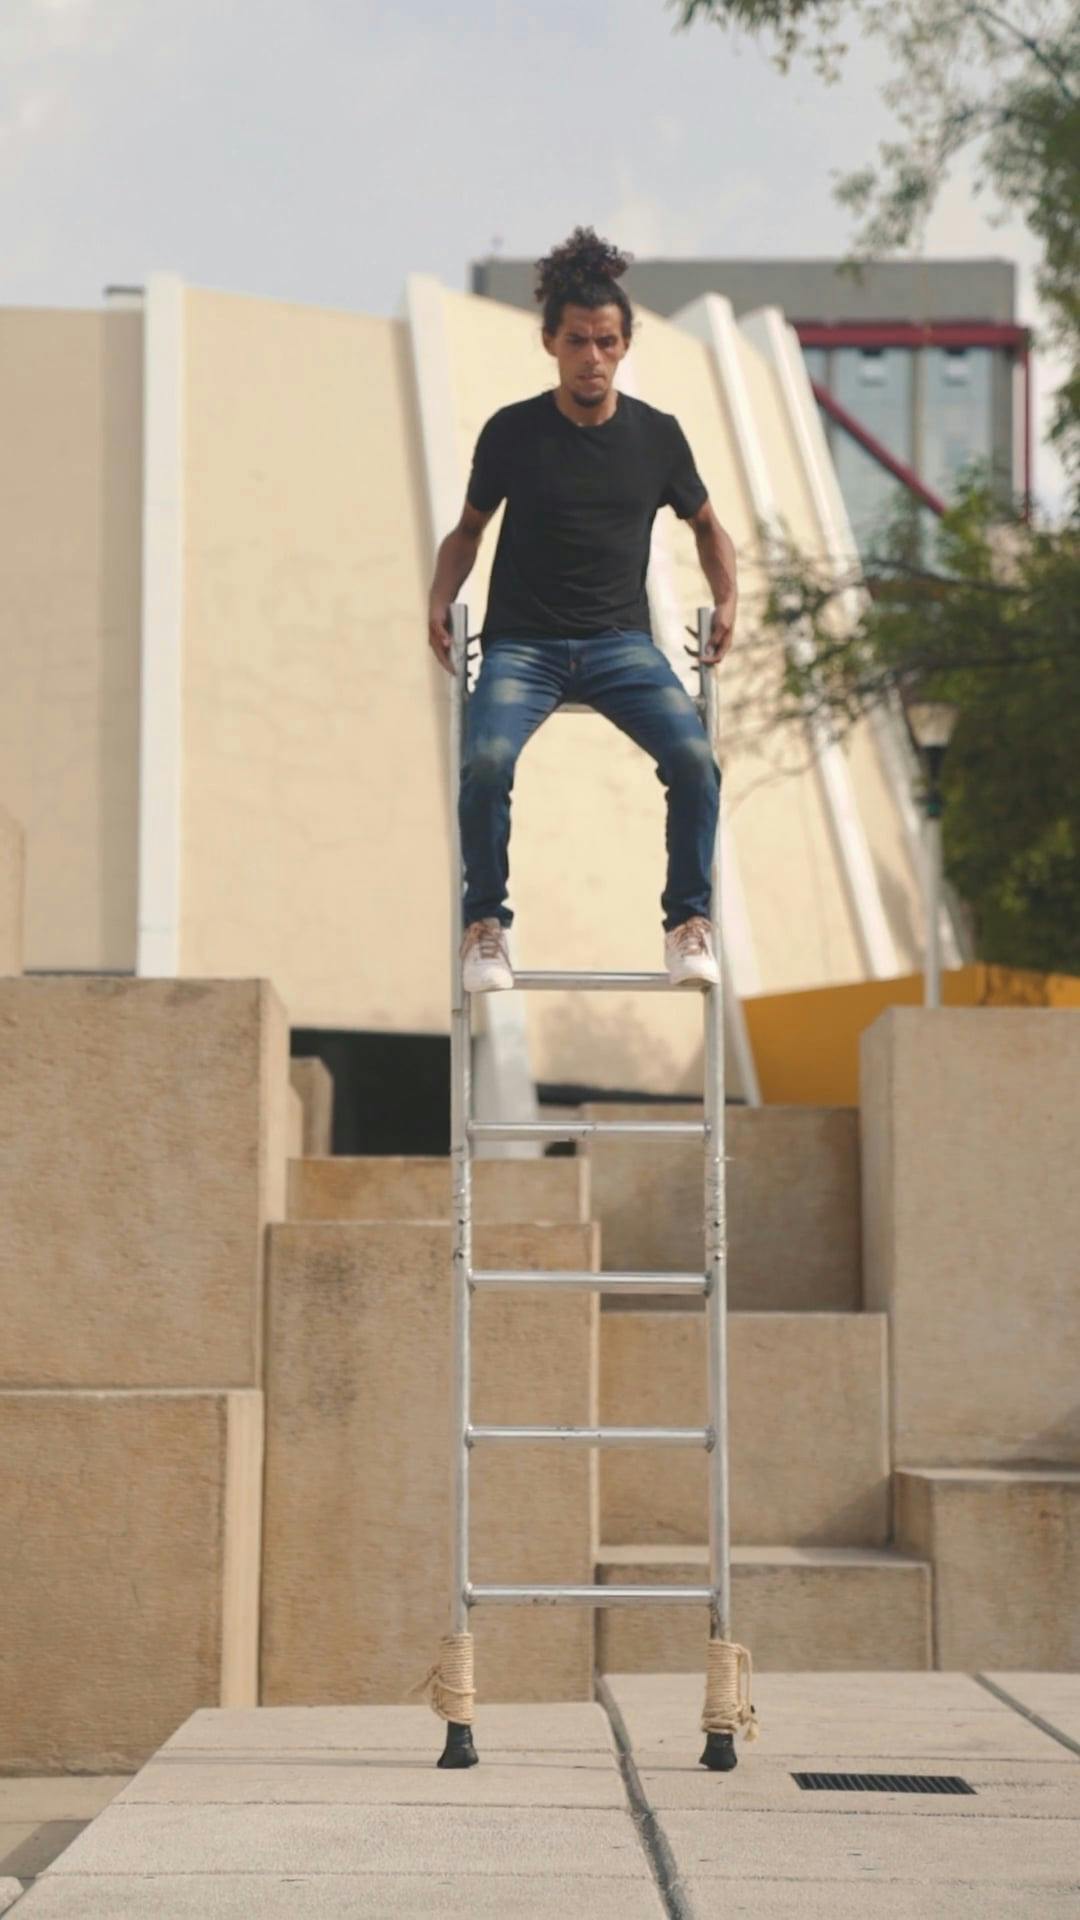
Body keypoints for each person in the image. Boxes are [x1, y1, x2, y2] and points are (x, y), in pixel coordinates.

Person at [427, 225, 738, 993]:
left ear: (625, 345)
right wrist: (439, 598)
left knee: (696, 760)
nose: (591, 357)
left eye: (605, 341)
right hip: (521, 647)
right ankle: (486, 926)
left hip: (620, 646)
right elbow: (467, 532)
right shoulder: (512, 433)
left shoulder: (657, 438)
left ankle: (687, 924)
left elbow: (708, 526)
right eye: (576, 342)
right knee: (487, 760)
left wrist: (728, 596)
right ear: (550, 344)